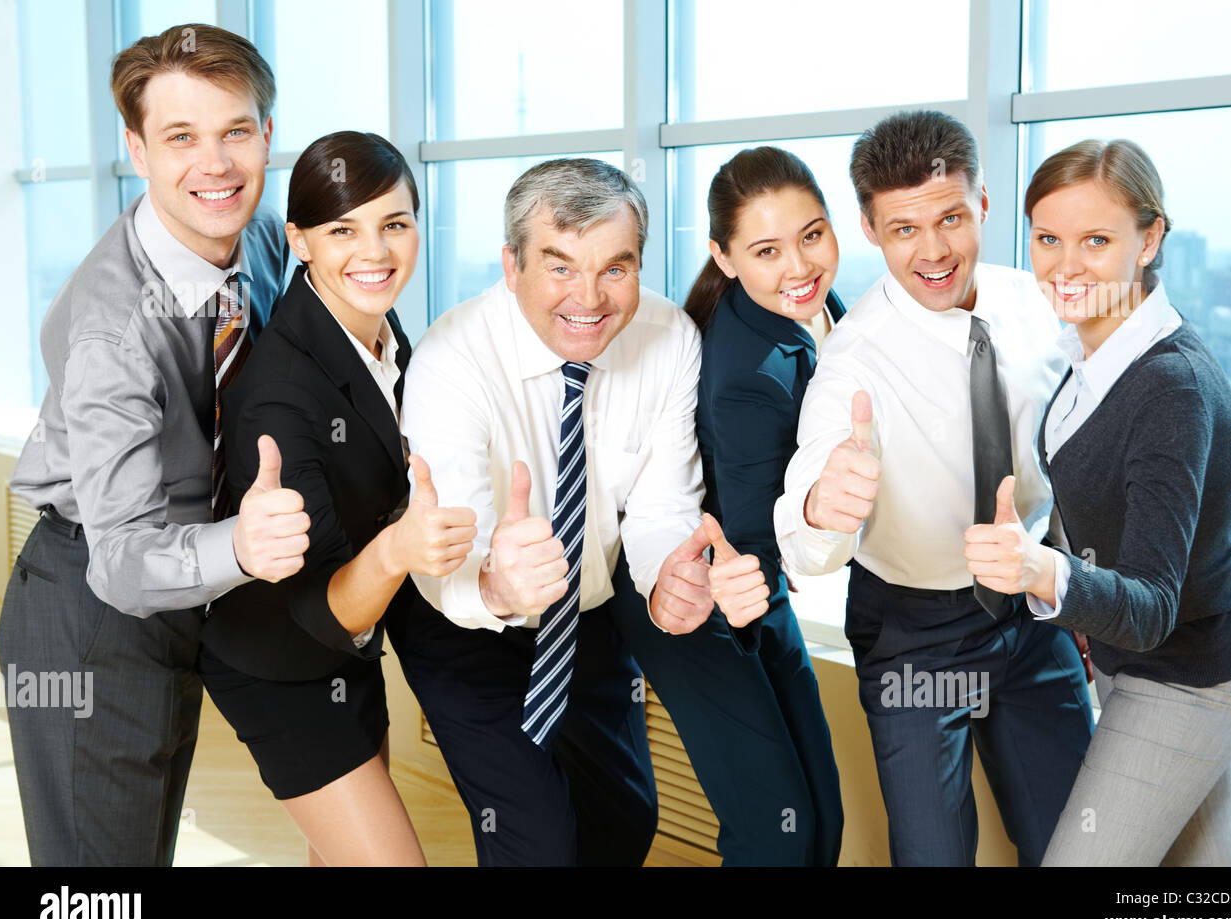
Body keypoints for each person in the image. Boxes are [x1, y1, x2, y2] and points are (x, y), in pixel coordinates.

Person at [393, 157, 799, 866]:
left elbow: (660, 507)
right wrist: (495, 582)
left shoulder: (668, 337)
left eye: (617, 267)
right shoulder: (450, 360)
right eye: (559, 267)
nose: (590, 297)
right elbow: (452, 550)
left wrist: (668, 570)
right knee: (537, 843)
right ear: (510, 266)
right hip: (465, 622)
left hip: (585, 613)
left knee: (626, 819)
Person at [0, 24, 306, 867]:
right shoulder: (111, 330)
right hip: (92, 602)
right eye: (180, 138)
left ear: (266, 135)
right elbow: (125, 561)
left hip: (195, 583)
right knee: (100, 891)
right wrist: (244, 542)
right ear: (137, 149)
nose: (215, 164)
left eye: (235, 131)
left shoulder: (268, 242)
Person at [775, 110, 1094, 866]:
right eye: (904, 230)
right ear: (870, 229)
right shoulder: (853, 362)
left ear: (982, 201)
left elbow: (1076, 452)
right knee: (933, 854)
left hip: (1029, 611)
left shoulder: (1038, 306)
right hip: (917, 633)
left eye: (950, 218)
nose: (934, 251)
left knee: (1081, 845)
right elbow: (806, 534)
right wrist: (824, 506)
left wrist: (1075, 584)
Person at [964, 138, 1231, 865]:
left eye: (1095, 240)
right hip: (1142, 665)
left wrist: (1043, 573)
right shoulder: (1087, 354)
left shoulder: (1170, 385)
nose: (1064, 265)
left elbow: (1154, 604)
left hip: (1191, 676)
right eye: (1047, 239)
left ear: (1150, 237)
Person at [199, 131, 474, 866]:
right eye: (342, 230)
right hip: (281, 659)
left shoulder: (380, 335)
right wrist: (398, 547)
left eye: (395, 224)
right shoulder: (283, 395)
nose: (375, 252)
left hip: (348, 655)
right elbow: (319, 608)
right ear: (300, 242)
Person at [683, 146, 846, 866]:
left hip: (762, 591)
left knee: (819, 821)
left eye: (812, 236)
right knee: (778, 835)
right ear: (724, 258)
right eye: (767, 250)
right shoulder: (745, 375)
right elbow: (751, 539)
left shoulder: (818, 309)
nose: (799, 267)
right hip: (719, 603)